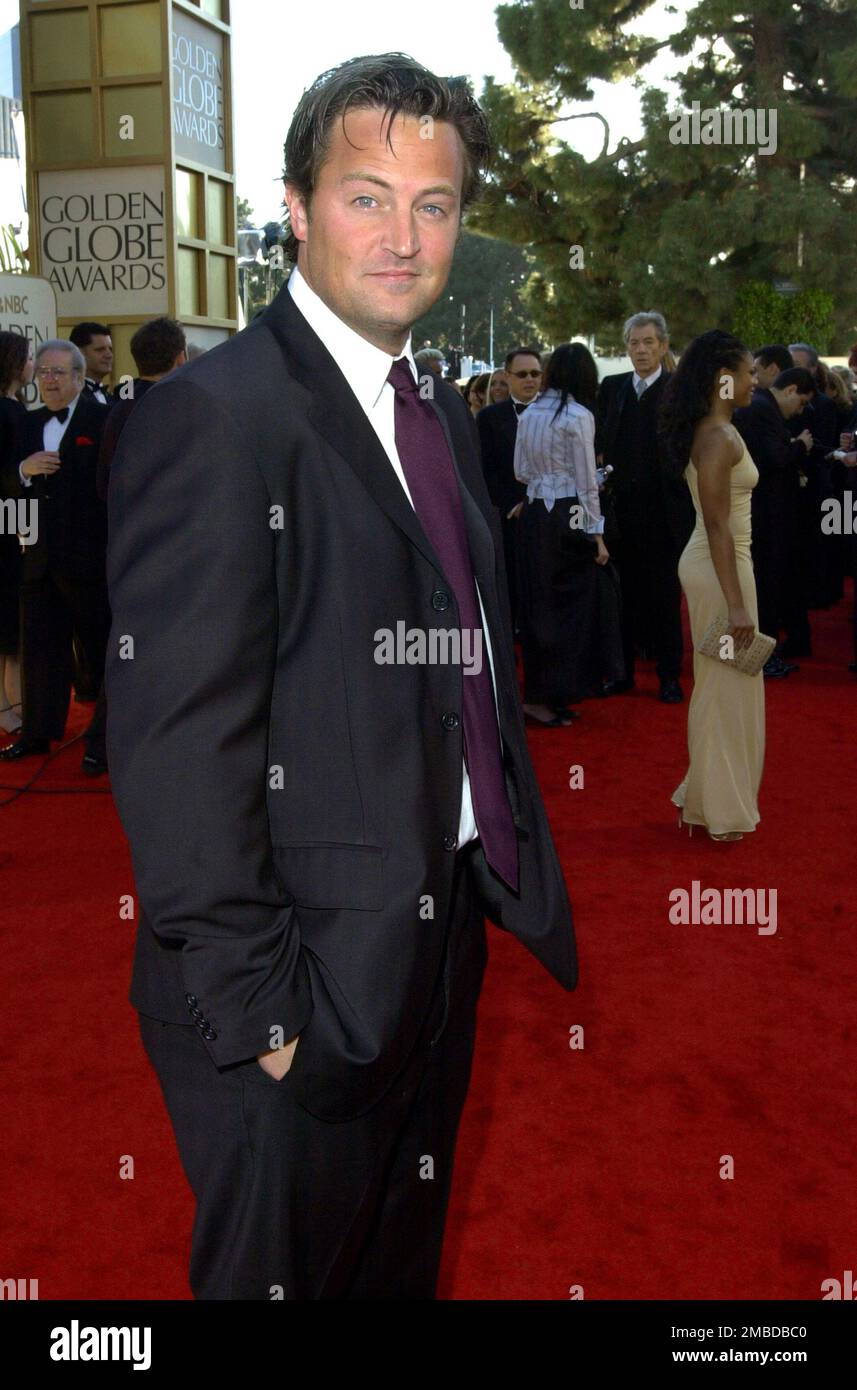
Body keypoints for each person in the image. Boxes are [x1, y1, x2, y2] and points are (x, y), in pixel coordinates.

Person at [105, 53, 577, 1302]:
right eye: (366, 195)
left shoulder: (424, 403)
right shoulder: (217, 417)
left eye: (433, 203)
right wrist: (269, 1018)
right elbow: (179, 745)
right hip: (296, 986)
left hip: (431, 942)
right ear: (298, 207)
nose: (404, 234)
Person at [660, 330, 763, 841]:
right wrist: (738, 606)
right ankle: (719, 811)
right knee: (726, 687)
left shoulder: (715, 430)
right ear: (724, 379)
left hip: (723, 567)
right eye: (747, 372)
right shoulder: (718, 437)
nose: (755, 380)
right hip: (720, 571)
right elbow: (719, 525)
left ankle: (704, 800)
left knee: (724, 686)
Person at [77, 317, 188, 778]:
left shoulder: (118, 407)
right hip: (174, 548)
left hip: (125, 550)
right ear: (179, 356)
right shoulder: (183, 404)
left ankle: (101, 746)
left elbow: (103, 484)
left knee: (125, 648)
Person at [0, 340, 109, 767]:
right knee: (40, 654)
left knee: (100, 656)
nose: (47, 379)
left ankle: (102, 742)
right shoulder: (25, 425)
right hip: (39, 560)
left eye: (58, 372)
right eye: (42, 370)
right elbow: (6, 484)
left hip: (89, 560)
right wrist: (23, 471)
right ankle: (38, 733)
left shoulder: (102, 421)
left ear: (79, 379)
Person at [514, 342, 619, 724]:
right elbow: (587, 482)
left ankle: (542, 697)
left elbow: (520, 471)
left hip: (535, 519)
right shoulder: (578, 415)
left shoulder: (528, 414)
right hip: (569, 514)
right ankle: (553, 695)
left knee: (538, 606)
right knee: (572, 610)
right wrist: (598, 534)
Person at [596, 311, 694, 702]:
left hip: (665, 515)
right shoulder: (613, 388)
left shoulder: (679, 391)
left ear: (664, 346)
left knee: (665, 598)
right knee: (624, 597)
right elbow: (600, 441)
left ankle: (669, 676)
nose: (640, 350)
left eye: (648, 342)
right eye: (634, 343)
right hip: (622, 514)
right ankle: (622, 674)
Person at [733, 366, 815, 678]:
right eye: (803, 402)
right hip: (765, 517)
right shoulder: (764, 410)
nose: (801, 410)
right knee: (765, 587)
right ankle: (763, 656)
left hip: (762, 515)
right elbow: (773, 458)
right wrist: (799, 446)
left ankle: (761, 654)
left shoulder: (761, 408)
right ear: (792, 389)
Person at [477, 346, 542, 624]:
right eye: (523, 374)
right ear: (508, 376)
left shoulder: (559, 413)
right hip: (509, 518)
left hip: (551, 515)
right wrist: (512, 504)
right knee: (512, 584)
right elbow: (485, 469)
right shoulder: (489, 418)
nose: (530, 380)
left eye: (536, 374)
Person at [0, 331, 33, 733]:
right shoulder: (5, 412)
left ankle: (15, 703)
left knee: (14, 623)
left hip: (15, 527)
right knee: (5, 621)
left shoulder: (15, 408)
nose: (32, 367)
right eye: (26, 359)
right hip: (6, 530)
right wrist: (21, 532)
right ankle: (5, 707)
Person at [70, 322, 114, 405]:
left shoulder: (111, 398)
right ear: (79, 354)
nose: (109, 355)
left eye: (110, 349)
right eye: (100, 350)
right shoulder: (71, 398)